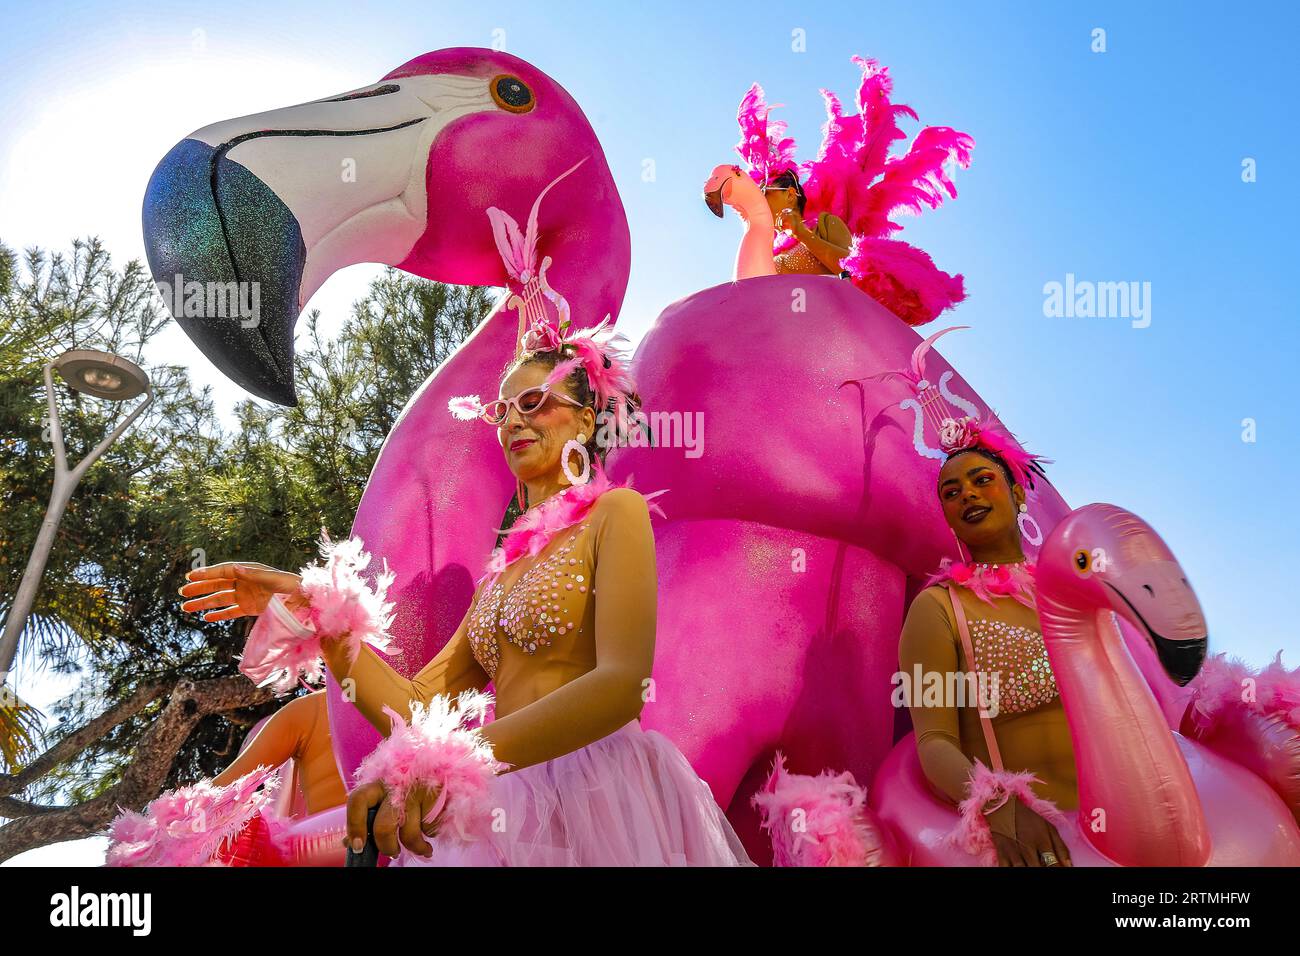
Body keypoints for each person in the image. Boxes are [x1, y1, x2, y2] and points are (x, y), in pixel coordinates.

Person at [182, 312, 751, 867]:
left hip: (601, 797)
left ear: (584, 421)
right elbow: (412, 707)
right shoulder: (498, 574)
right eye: (503, 411)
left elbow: (623, 685)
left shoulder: (614, 513)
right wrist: (319, 607)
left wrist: (459, 760)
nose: (512, 423)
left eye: (534, 403)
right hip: (498, 805)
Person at [898, 416, 1076, 867]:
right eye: (951, 493)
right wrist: (1004, 810)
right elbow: (934, 742)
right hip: (1031, 846)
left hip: (1126, 827)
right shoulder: (938, 607)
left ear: (1017, 493)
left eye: (982, 480)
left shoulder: (1071, 592)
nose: (968, 496)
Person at [764, 169, 853, 276]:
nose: (758, 200)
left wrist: (802, 234)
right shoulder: (768, 247)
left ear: (790, 195)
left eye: (763, 192)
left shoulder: (824, 223)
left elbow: (853, 272)